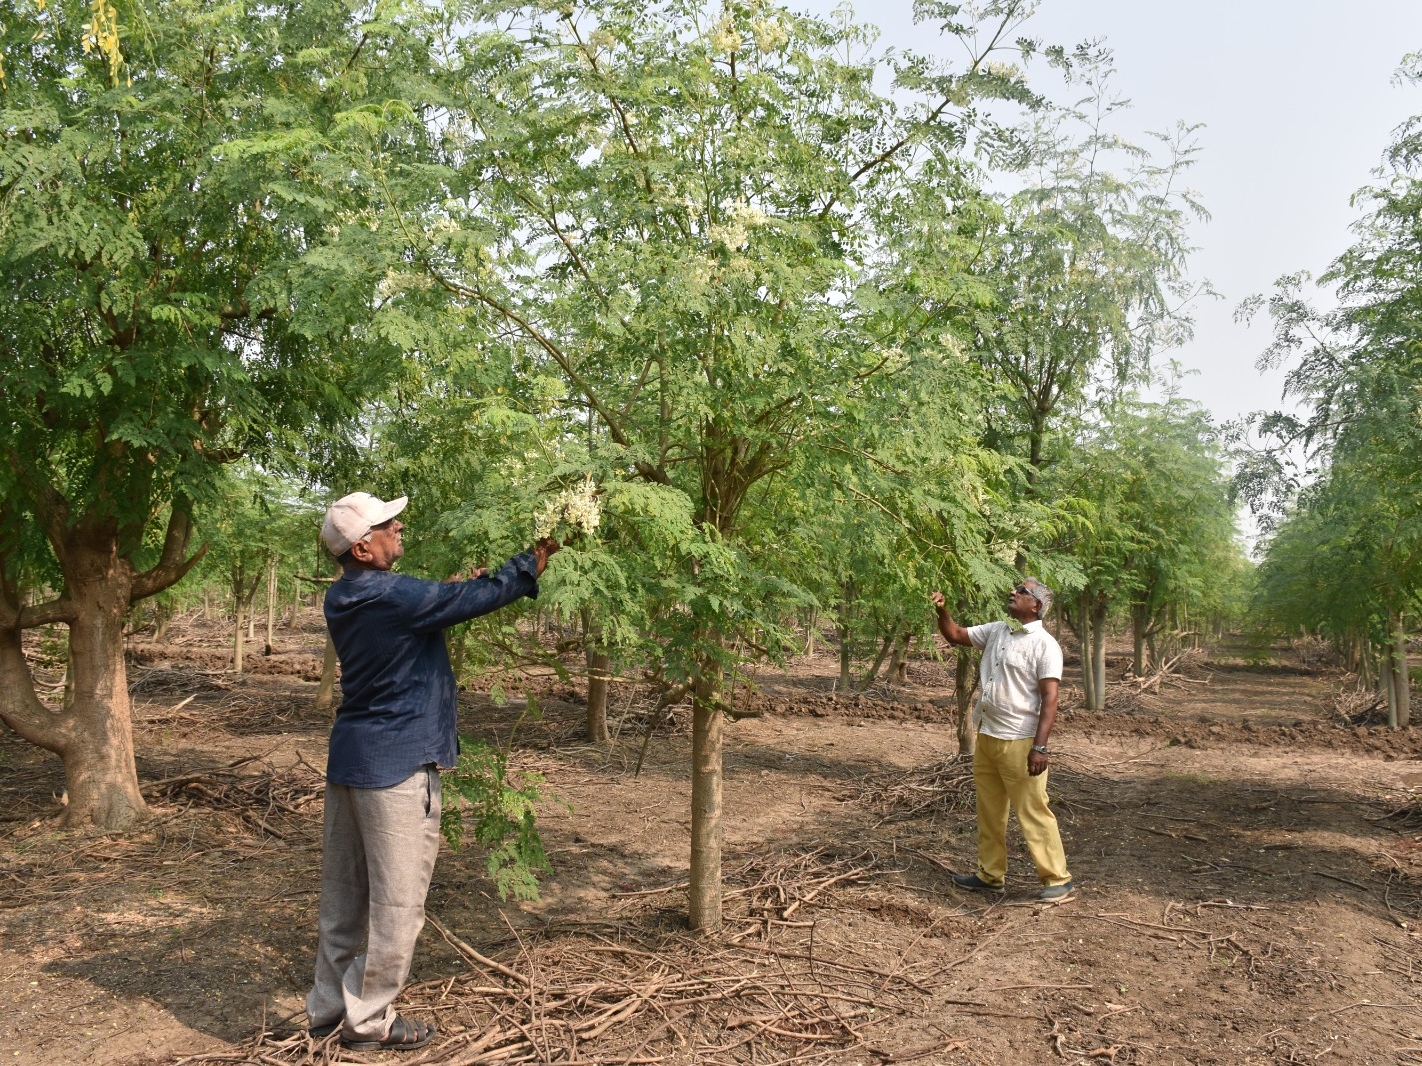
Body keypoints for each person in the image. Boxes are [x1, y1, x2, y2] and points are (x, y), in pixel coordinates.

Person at [306, 490, 560, 1051]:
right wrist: (529, 563)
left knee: (343, 896)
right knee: (398, 905)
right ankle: (368, 1022)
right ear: (363, 547)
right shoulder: (394, 596)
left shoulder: (344, 596)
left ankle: (327, 1007)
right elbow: (476, 598)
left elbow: (418, 608)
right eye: (386, 524)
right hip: (397, 765)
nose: (399, 527)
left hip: (351, 760)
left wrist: (441, 593)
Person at [929, 580, 1074, 902]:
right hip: (988, 735)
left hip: (1020, 742)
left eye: (1022, 592)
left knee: (1033, 810)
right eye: (1014, 589)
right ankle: (990, 874)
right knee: (990, 811)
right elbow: (955, 635)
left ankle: (1057, 879)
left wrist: (1040, 747)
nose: (1013, 593)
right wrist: (943, 611)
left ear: (1036, 605)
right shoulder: (997, 630)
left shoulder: (1045, 645)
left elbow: (1050, 700)